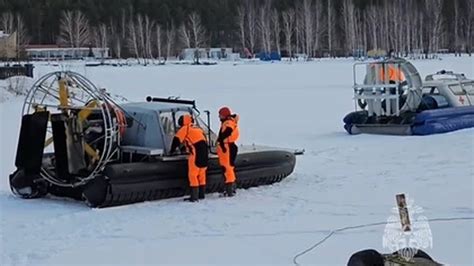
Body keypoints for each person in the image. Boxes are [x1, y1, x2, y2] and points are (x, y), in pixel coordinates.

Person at [169, 114, 208, 202]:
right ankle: (201, 195)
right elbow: (194, 140)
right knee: (202, 174)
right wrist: (184, 148)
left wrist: (171, 151)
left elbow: (176, 140)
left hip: (195, 154)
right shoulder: (198, 128)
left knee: (193, 175)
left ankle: (194, 197)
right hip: (205, 154)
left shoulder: (185, 128)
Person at [217, 107, 240, 197]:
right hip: (227, 147)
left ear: (224, 115)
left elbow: (228, 131)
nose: (219, 116)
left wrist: (221, 140)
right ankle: (231, 189)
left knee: (227, 168)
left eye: (220, 115)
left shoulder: (228, 123)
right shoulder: (230, 122)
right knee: (229, 168)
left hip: (227, 148)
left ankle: (229, 190)